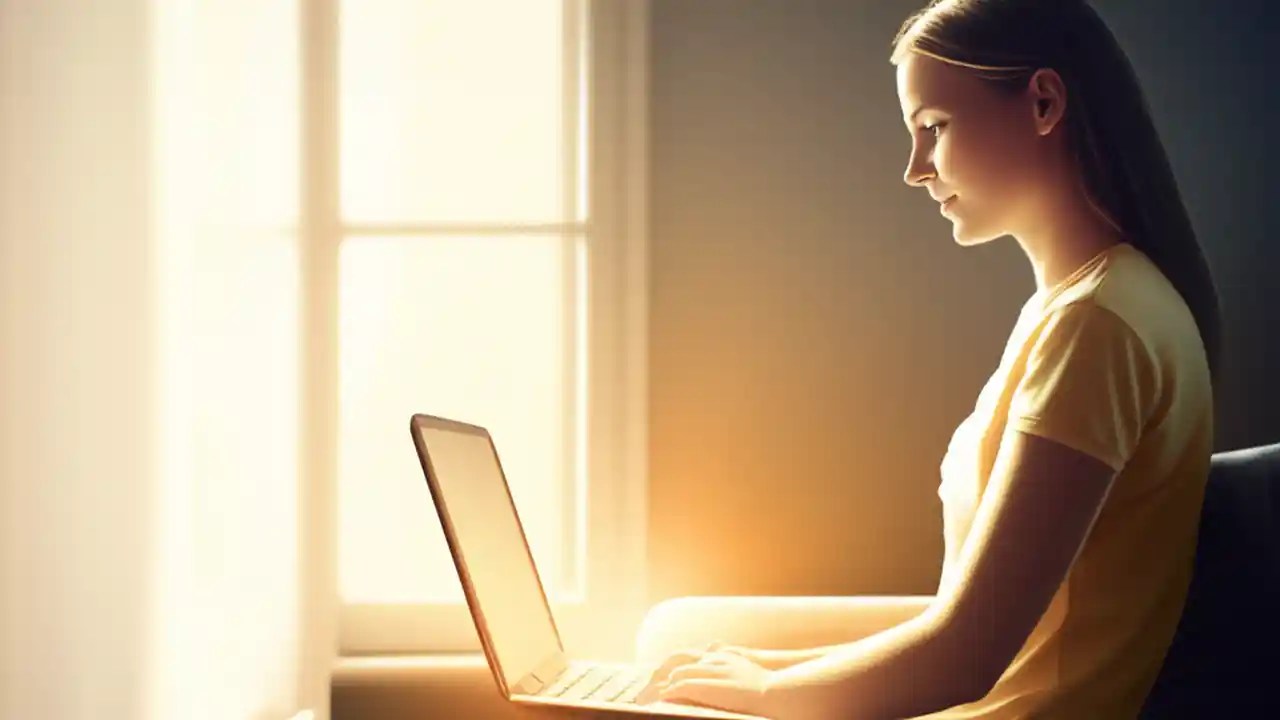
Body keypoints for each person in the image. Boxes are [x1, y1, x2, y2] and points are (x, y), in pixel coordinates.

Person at [635, 1, 1220, 718]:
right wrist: (771, 669)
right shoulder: (1092, 307)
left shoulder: (1097, 326)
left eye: (933, 129)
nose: (915, 170)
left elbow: (965, 658)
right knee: (675, 655)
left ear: (1043, 102)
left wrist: (769, 691)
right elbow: (979, 625)